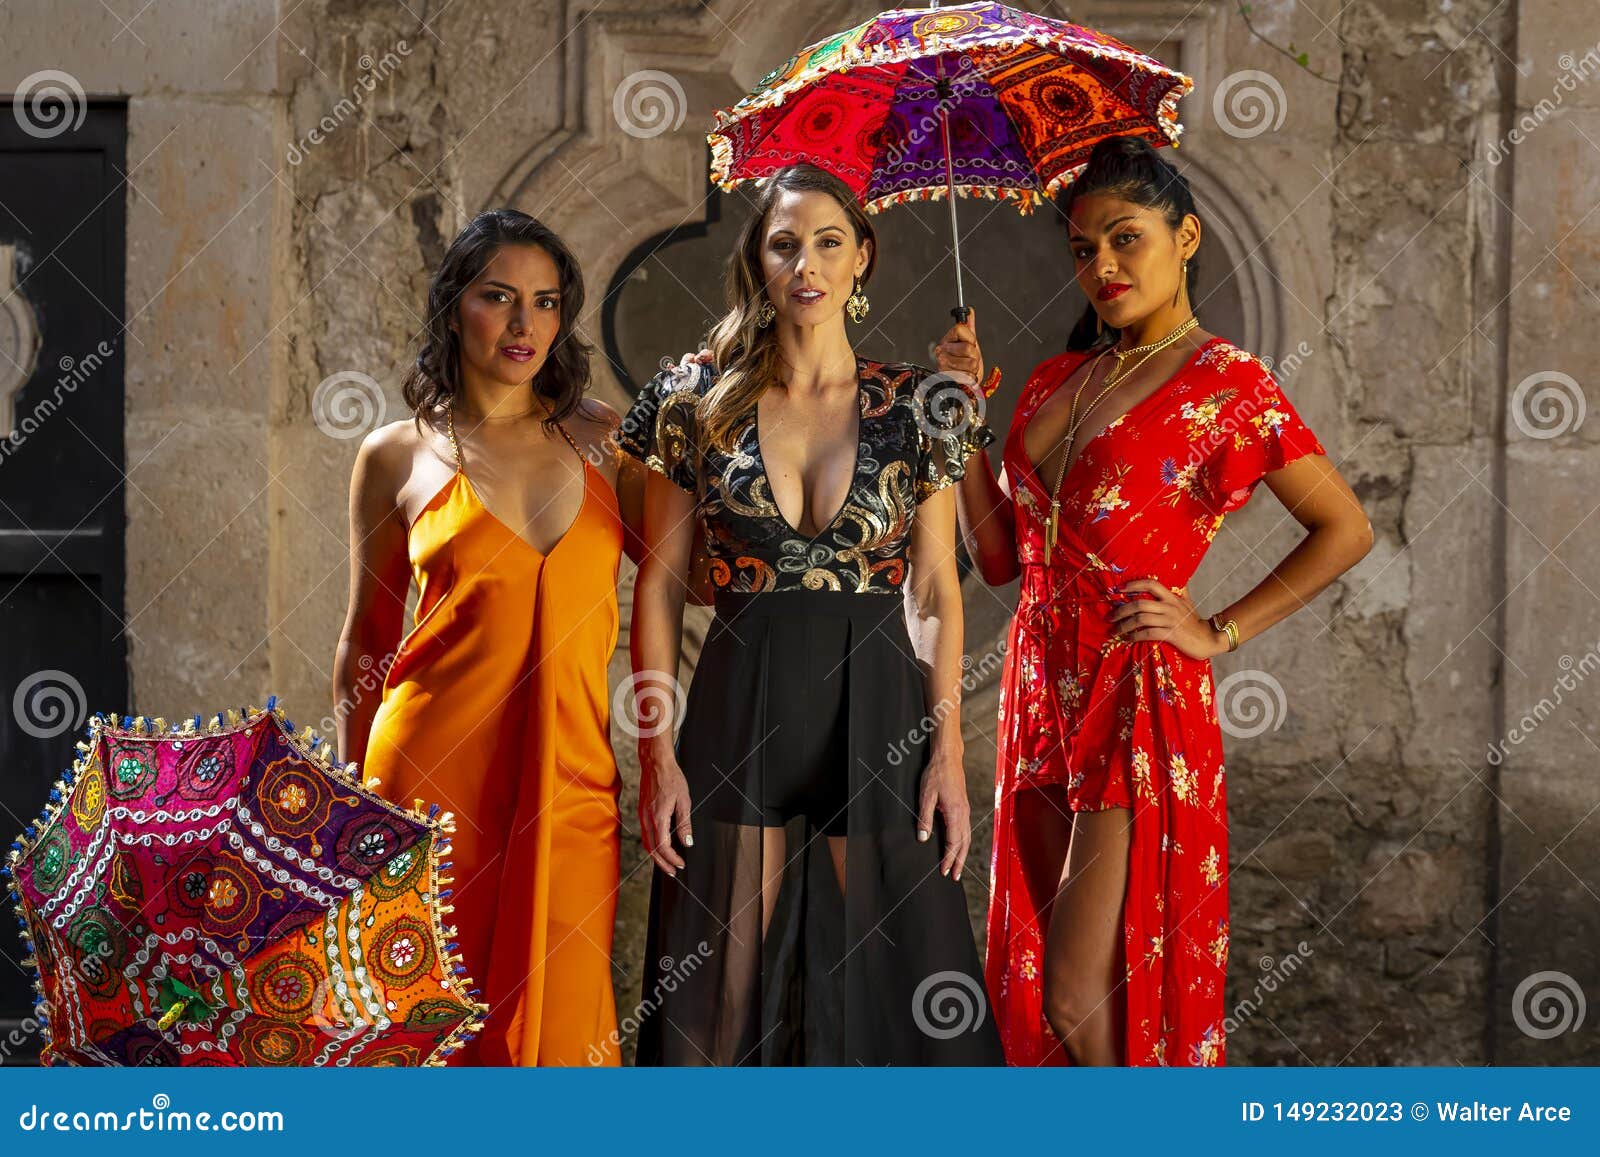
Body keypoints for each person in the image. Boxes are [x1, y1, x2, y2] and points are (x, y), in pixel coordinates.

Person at [939, 136, 1373, 1066]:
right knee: (1050, 995)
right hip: (1039, 684)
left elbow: (1346, 529)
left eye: (1124, 239)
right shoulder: (1059, 377)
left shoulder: (1231, 384)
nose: (1102, 266)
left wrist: (1217, 629)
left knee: (1071, 994)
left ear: (1186, 238)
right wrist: (966, 420)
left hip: (1137, 688)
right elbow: (1001, 558)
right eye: (1084, 250)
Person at [620, 163, 1004, 1065]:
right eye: (784, 242)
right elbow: (659, 582)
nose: (807, 263)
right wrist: (655, 754)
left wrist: (948, 750)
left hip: (878, 705)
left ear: (861, 258)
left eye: (830, 241)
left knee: (898, 979)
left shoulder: (920, 405)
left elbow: (937, 590)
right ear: (757, 260)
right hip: (738, 698)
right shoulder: (695, 400)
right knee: (716, 991)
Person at [334, 209, 643, 1065]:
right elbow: (365, 644)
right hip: (427, 783)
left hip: (574, 777)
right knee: (427, 1036)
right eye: (498, 297)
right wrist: (349, 822)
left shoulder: (606, 442)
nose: (523, 324)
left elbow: (689, 579)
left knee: (563, 1031)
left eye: (545, 303)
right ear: (453, 307)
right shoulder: (395, 455)